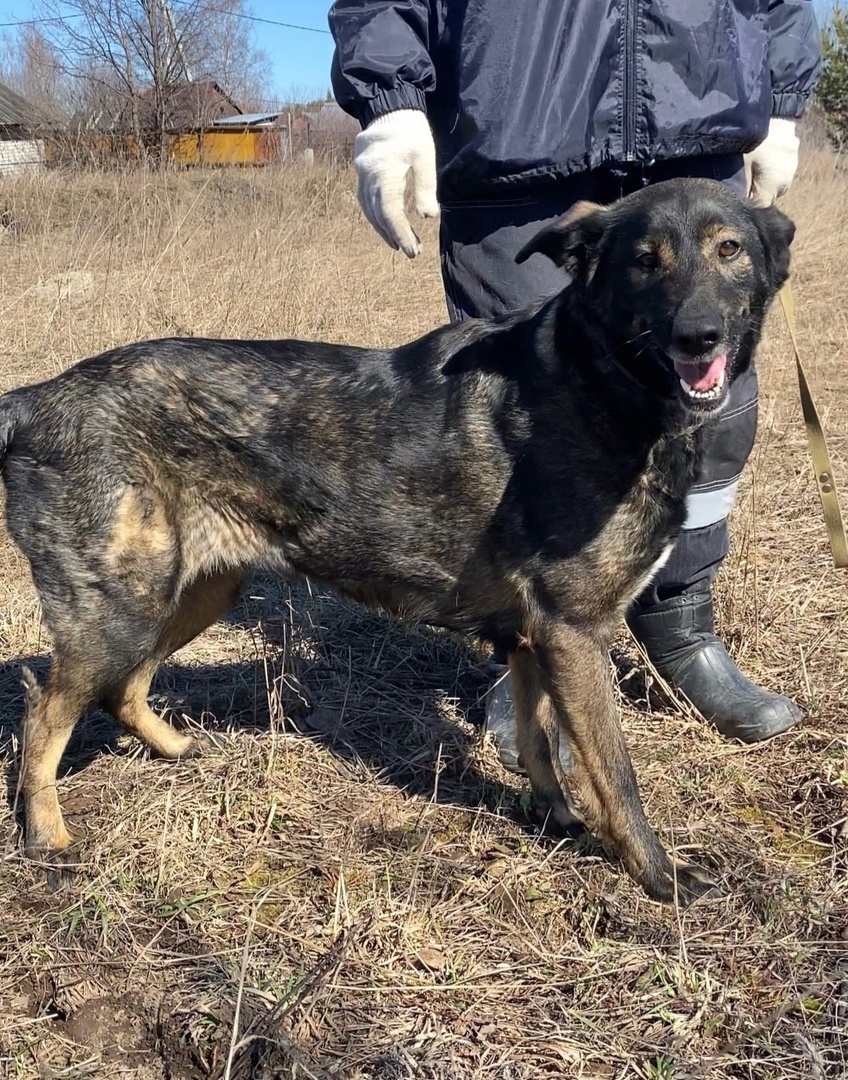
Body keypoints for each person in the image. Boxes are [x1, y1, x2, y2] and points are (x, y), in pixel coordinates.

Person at [327, 1, 822, 769]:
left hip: (696, 112)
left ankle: (682, 626)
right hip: (513, 144)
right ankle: (526, 641)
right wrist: (390, 100)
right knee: (516, 434)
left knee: (709, 406)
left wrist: (782, 98)